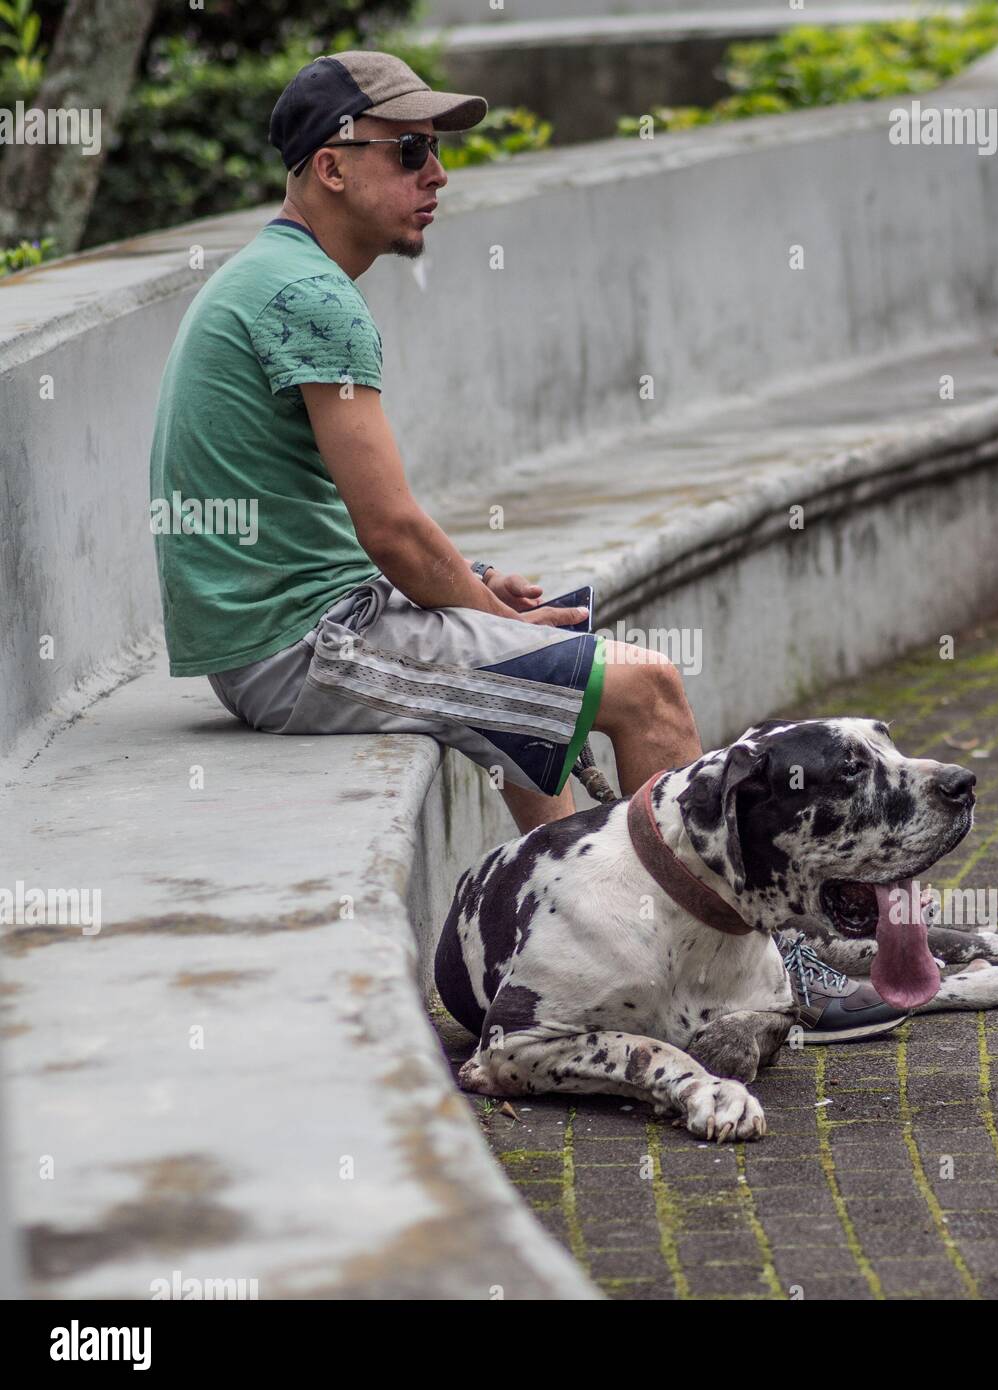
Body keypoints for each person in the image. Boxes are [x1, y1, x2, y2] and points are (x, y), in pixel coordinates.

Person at [147, 49, 905, 1043]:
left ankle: (606, 943)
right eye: (410, 151)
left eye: (437, 152)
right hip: (301, 648)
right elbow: (394, 531)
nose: (438, 176)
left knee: (546, 671)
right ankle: (746, 961)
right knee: (647, 688)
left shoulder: (275, 276)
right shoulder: (313, 301)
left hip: (295, 628)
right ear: (332, 165)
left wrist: (480, 592)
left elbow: (361, 528)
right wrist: (481, 606)